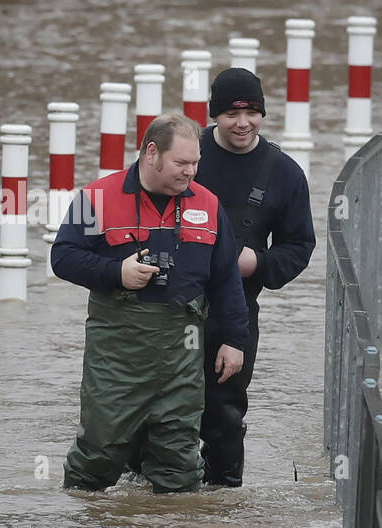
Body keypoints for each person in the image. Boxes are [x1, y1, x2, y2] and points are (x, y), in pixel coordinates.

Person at [132, 67, 315, 487]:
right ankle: (145, 503)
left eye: (252, 112)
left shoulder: (284, 172)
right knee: (152, 409)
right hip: (166, 307)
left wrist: (258, 263)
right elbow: (135, 200)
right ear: (215, 115)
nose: (243, 123)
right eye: (232, 114)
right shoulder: (186, 156)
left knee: (224, 414)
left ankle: (222, 504)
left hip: (234, 312)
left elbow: (300, 247)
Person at [52, 113, 249, 493]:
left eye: (195, 163)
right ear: (152, 153)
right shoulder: (94, 198)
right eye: (181, 163)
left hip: (182, 355)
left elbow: (226, 279)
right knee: (98, 453)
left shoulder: (208, 205)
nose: (190, 172)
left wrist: (233, 340)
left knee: (178, 465)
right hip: (116, 356)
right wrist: (116, 273)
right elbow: (62, 258)